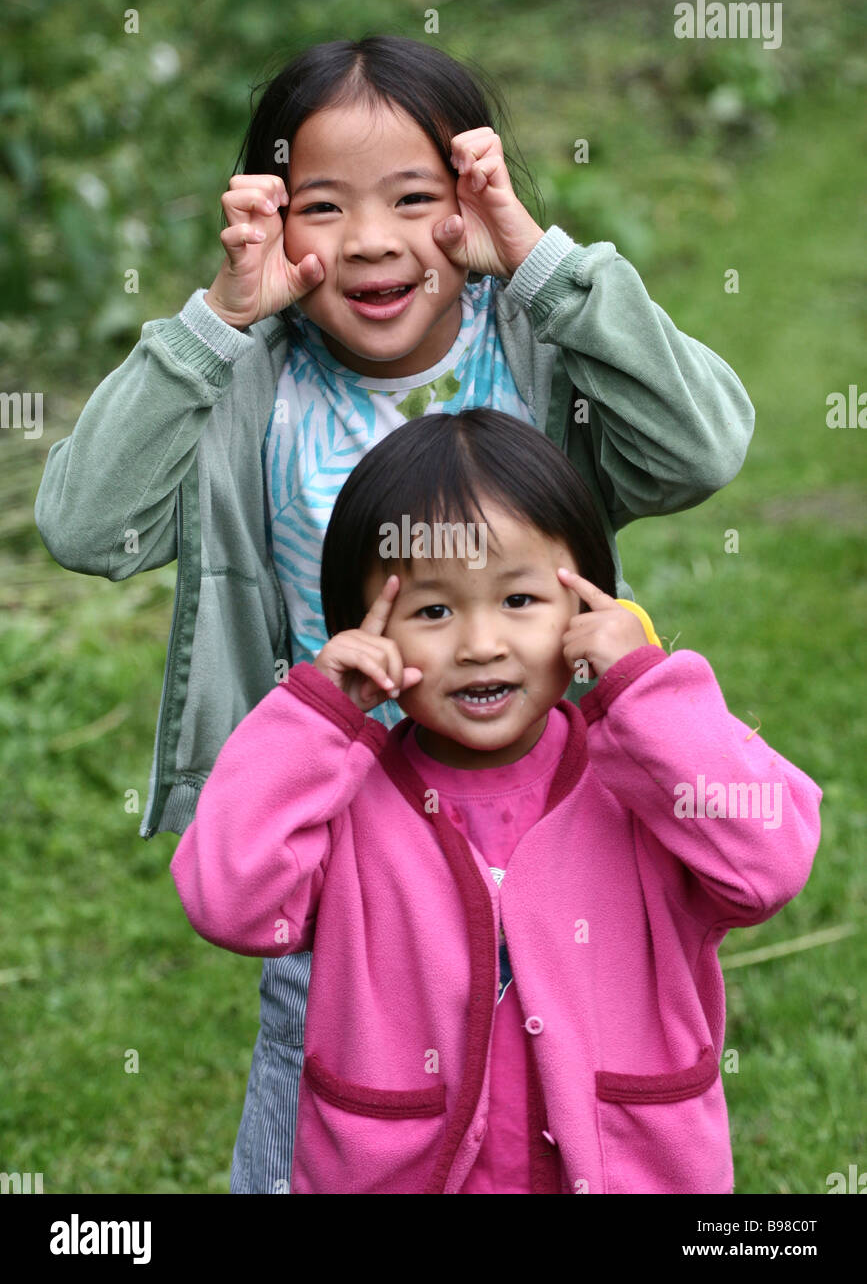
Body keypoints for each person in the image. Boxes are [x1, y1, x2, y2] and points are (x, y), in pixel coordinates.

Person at [34, 34, 756, 1193]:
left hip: (559, 818)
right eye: (325, 205)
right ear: (269, 214)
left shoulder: (537, 349)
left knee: (570, 1089)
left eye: (414, 199)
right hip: (348, 840)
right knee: (331, 1102)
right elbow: (81, 525)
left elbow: (705, 444)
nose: (372, 240)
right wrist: (215, 324)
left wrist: (542, 265)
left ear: (472, 198)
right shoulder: (248, 390)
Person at [170, 410, 822, 1194]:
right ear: (365, 631)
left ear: (585, 608)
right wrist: (314, 718)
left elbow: (771, 861)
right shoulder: (344, 802)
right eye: (433, 612)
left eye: (519, 600)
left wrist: (646, 689)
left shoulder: (642, 784)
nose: (480, 643)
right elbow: (229, 900)